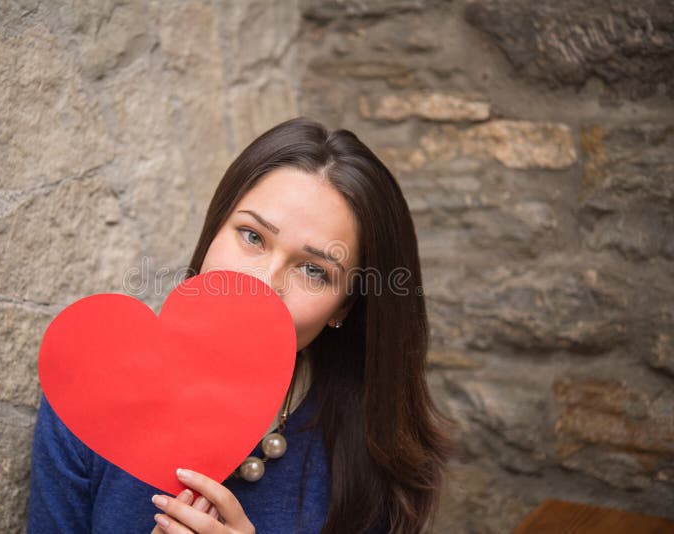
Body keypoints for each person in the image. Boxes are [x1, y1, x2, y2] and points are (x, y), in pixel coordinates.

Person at [26, 117, 457, 534]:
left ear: (344, 308)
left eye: (314, 270)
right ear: (215, 228)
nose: (263, 285)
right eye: (252, 237)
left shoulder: (372, 451)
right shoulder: (90, 391)